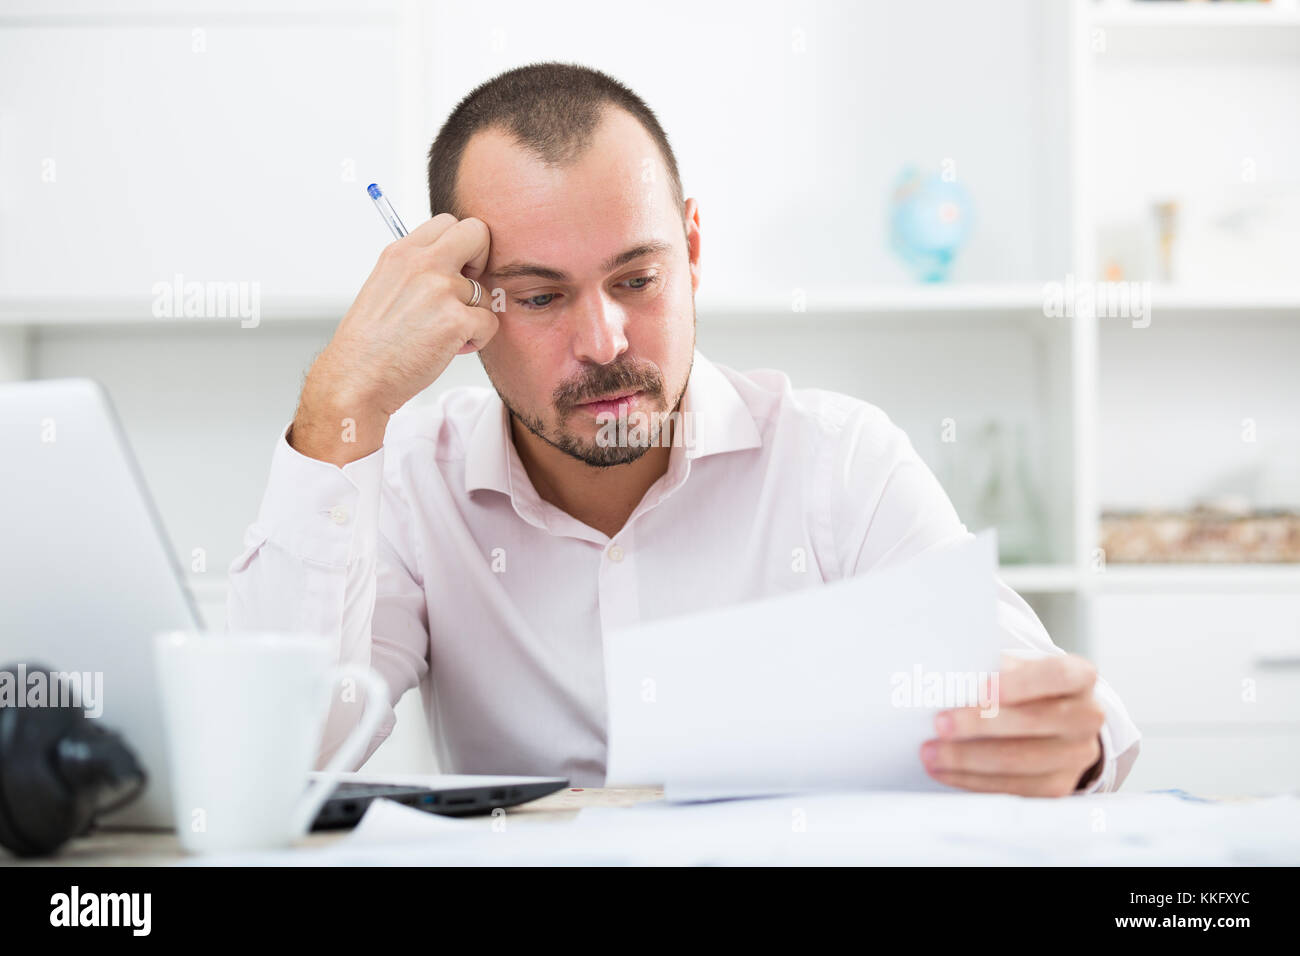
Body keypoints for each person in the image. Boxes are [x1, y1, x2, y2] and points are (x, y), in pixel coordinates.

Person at [228, 61, 1139, 796]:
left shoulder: (838, 461)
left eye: (637, 280)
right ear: (464, 302)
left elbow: (1033, 695)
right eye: (541, 297)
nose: (604, 342)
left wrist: (1066, 747)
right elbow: (278, 759)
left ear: (693, 250)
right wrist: (345, 397)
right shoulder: (419, 489)